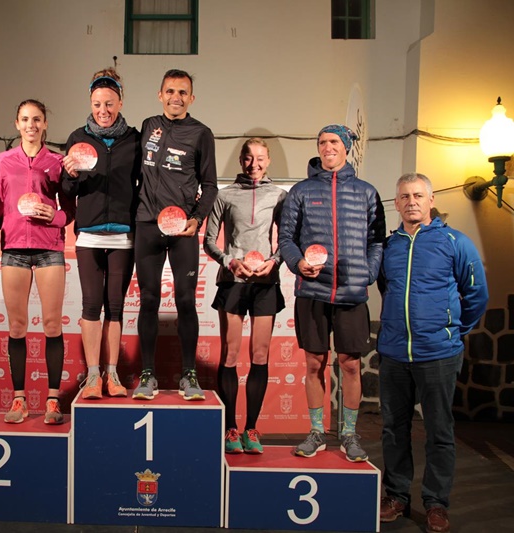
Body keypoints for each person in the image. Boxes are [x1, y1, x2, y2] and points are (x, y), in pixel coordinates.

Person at [376, 173, 488, 533]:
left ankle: (437, 503)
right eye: (405, 196)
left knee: (439, 431)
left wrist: (452, 331)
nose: (412, 201)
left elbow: (476, 295)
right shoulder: (389, 246)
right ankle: (396, 496)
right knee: (394, 429)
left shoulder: (456, 242)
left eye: (418, 195)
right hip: (394, 353)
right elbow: (385, 287)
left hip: (439, 353)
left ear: (431, 199)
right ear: (396, 203)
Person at [278, 124, 385, 462]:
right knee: (314, 363)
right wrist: (297, 264)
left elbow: (377, 241)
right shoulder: (301, 191)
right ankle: (316, 432)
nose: (327, 147)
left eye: (334, 142)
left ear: (347, 147)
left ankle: (350, 434)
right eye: (322, 142)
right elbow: (286, 240)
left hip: (352, 294)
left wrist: (368, 272)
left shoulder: (367, 192)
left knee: (350, 365)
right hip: (312, 291)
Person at [132, 68, 218, 401]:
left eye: (182, 92)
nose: (175, 98)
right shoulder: (147, 126)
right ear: (160, 94)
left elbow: (209, 185)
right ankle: (148, 374)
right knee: (149, 300)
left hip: (183, 230)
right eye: (170, 91)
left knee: (185, 301)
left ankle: (188, 374)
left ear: (191, 98)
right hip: (147, 225)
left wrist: (197, 218)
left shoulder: (201, 133)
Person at [0, 99, 75, 424]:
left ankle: (53, 401)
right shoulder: (3, 160)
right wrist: (11, 223)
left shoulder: (56, 162)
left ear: (44, 124)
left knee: (52, 325)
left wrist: (54, 217)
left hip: (49, 248)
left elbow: (70, 209)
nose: (31, 125)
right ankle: (19, 400)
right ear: (16, 123)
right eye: (25, 119)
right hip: (13, 249)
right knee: (17, 327)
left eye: (36, 119)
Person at [62, 68, 141, 399]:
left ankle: (113, 375)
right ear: (90, 103)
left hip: (124, 234)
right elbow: (67, 189)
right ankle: (93, 376)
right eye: (97, 104)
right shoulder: (78, 138)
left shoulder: (134, 139)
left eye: (109, 103)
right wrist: (70, 174)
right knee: (92, 304)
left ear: (120, 102)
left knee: (116, 305)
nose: (103, 111)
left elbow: (146, 184)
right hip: (89, 234)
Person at [203, 138, 287, 454]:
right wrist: (230, 261)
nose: (255, 164)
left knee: (261, 354)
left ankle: (252, 428)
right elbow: (210, 241)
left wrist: (273, 262)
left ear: (269, 160)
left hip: (266, 281)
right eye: (249, 158)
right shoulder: (225, 196)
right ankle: (230, 429)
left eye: (261, 158)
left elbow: (287, 240)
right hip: (233, 281)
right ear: (241, 160)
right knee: (230, 354)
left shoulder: (279, 196)